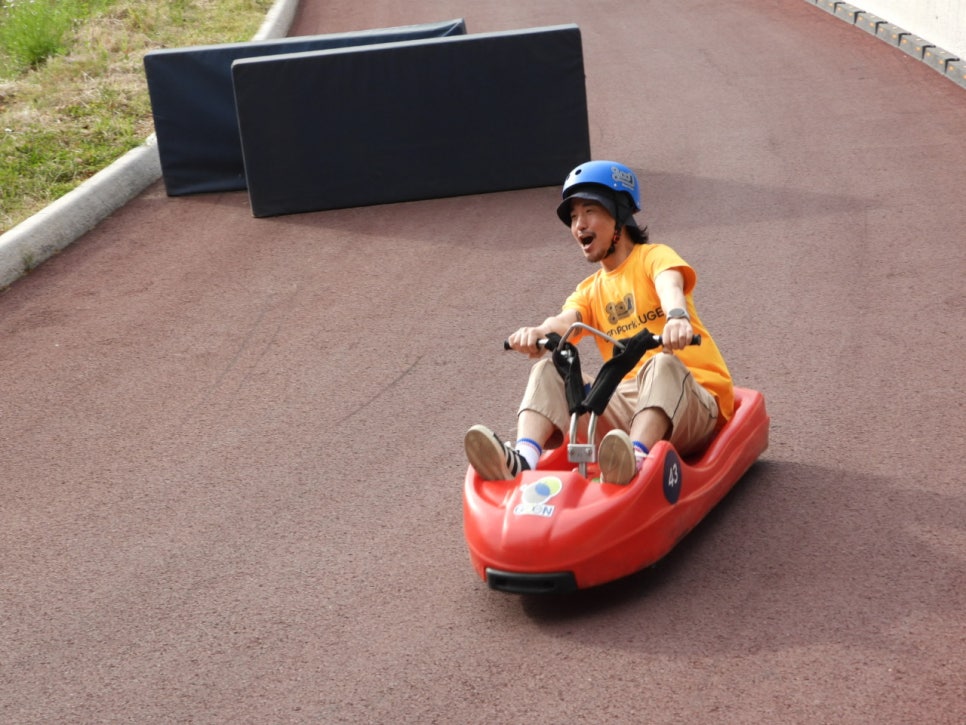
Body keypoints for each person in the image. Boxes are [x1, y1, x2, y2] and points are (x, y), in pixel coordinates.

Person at [464, 160, 734, 485]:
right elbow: (566, 322)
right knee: (549, 371)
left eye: (589, 211)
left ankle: (632, 459)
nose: (579, 225)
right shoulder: (589, 290)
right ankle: (523, 460)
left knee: (663, 363)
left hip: (693, 400)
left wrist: (677, 317)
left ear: (619, 213)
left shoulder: (654, 258)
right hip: (629, 406)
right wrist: (538, 333)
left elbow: (670, 287)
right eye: (574, 217)